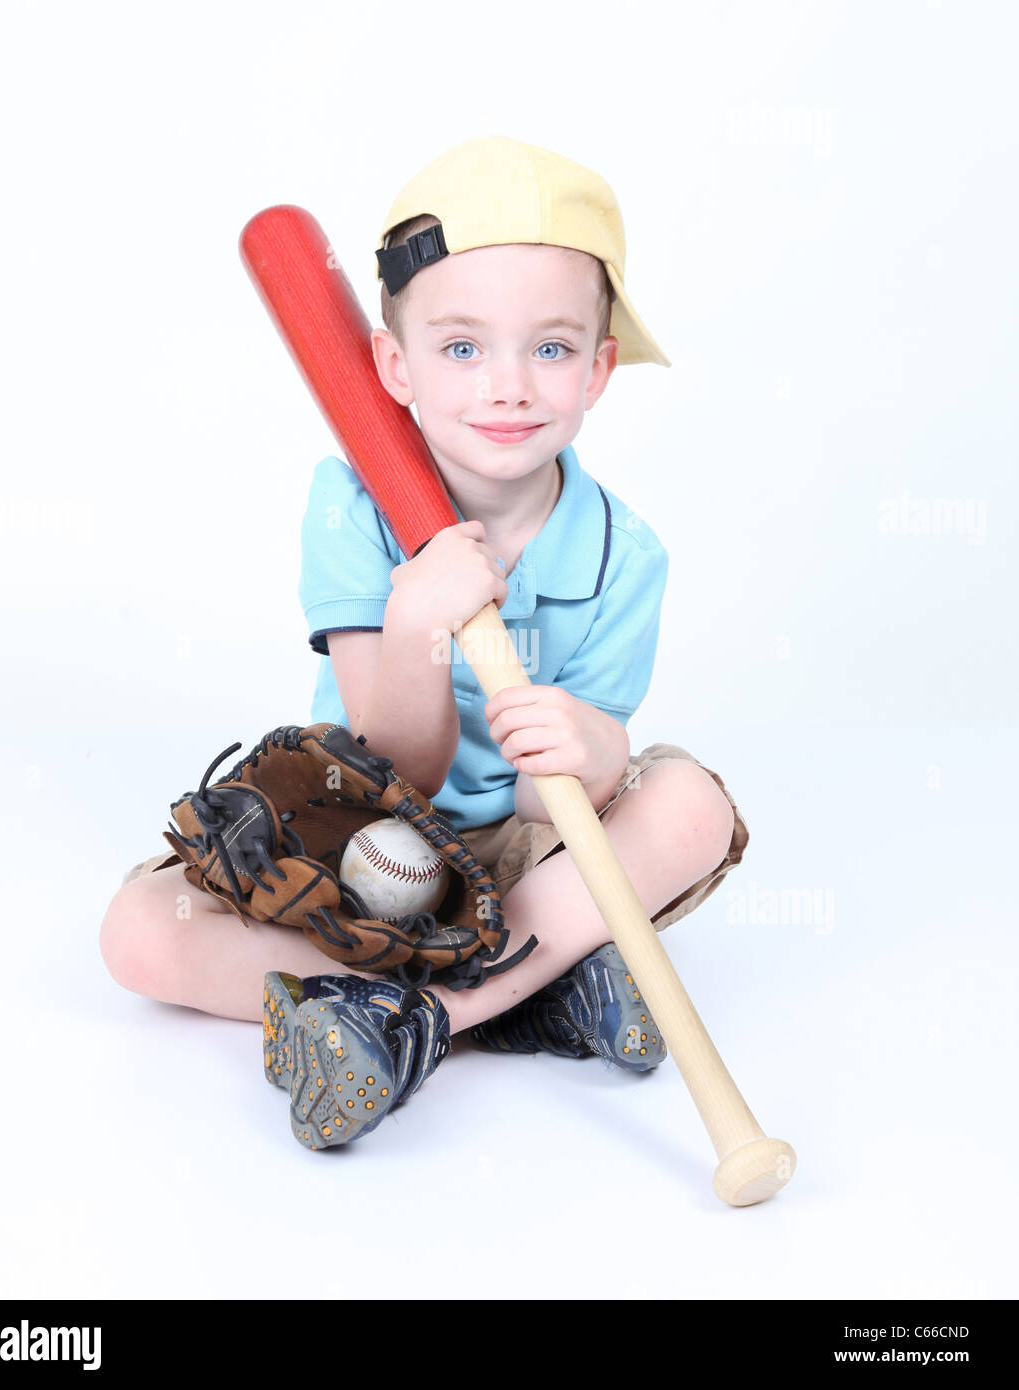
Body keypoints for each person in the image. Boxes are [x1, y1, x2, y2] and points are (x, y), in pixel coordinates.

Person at [101, 135, 749, 1151]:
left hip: (531, 860)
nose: (508, 387)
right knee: (138, 933)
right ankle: (536, 996)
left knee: (691, 806)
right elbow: (397, 764)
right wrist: (415, 623)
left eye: (549, 347)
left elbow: (557, 805)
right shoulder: (347, 507)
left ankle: (407, 1023)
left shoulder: (628, 556)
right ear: (392, 366)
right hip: (359, 843)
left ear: (599, 366)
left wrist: (588, 746)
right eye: (461, 348)